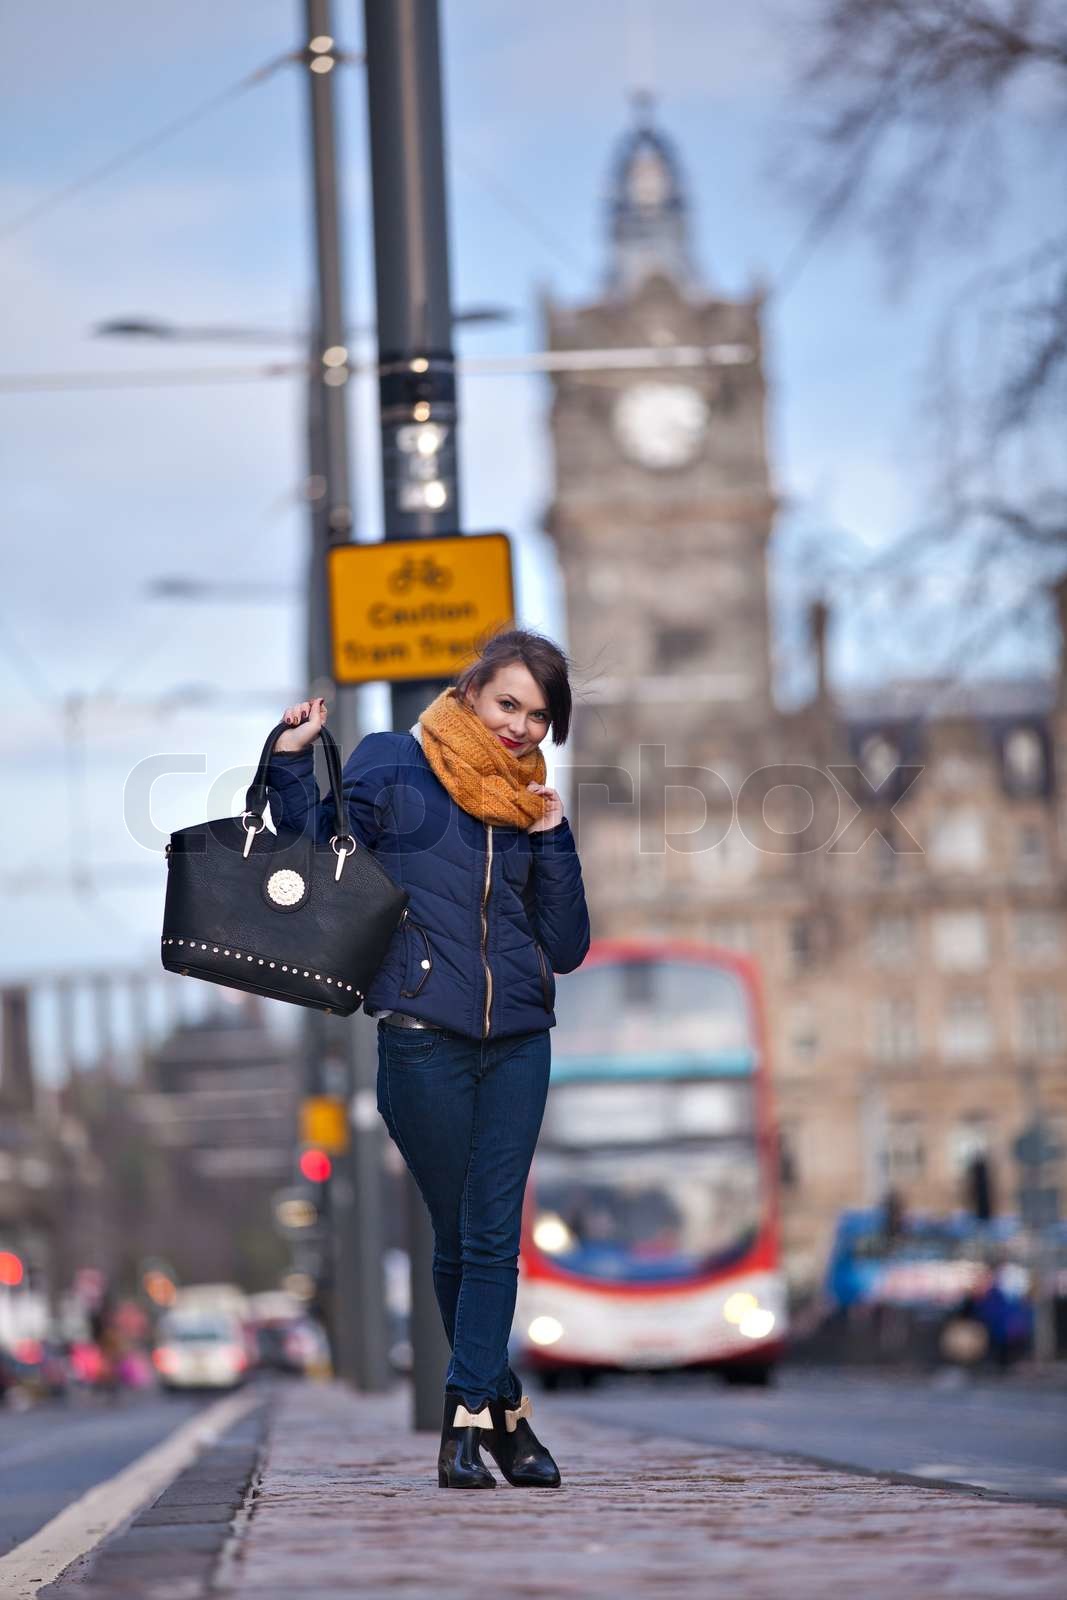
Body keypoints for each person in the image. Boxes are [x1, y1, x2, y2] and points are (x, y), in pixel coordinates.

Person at [267, 628, 591, 1489]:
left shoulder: (532, 806)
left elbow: (565, 946)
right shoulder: (392, 765)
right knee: (462, 1236)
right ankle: (508, 1420)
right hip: (419, 1040)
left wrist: (555, 840)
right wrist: (289, 758)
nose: (520, 726)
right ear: (473, 690)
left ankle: (462, 1423)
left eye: (538, 714)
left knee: (488, 1235)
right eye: (507, 703)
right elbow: (315, 848)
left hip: (519, 1041)